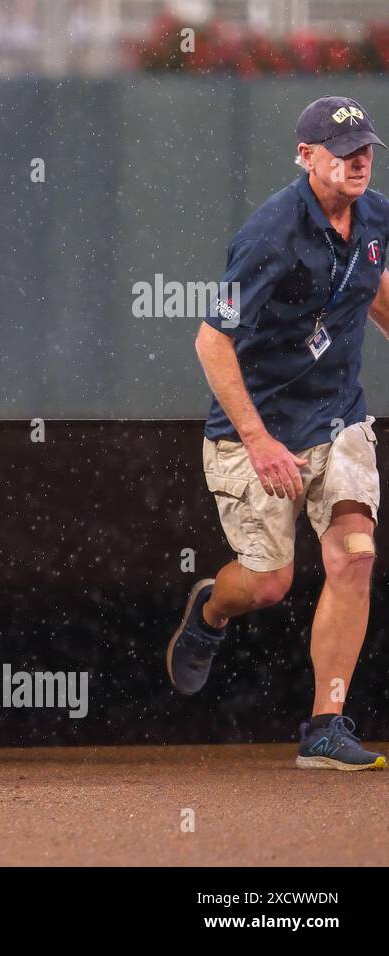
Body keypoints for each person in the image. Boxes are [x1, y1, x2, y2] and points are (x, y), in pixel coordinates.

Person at [169, 96, 389, 771]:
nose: (357, 161)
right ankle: (210, 610)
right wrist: (260, 440)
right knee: (268, 584)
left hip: (338, 418)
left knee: (355, 552)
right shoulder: (271, 233)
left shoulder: (376, 214)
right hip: (256, 428)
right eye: (340, 149)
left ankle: (325, 725)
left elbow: (370, 286)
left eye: (365, 149)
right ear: (305, 156)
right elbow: (212, 342)